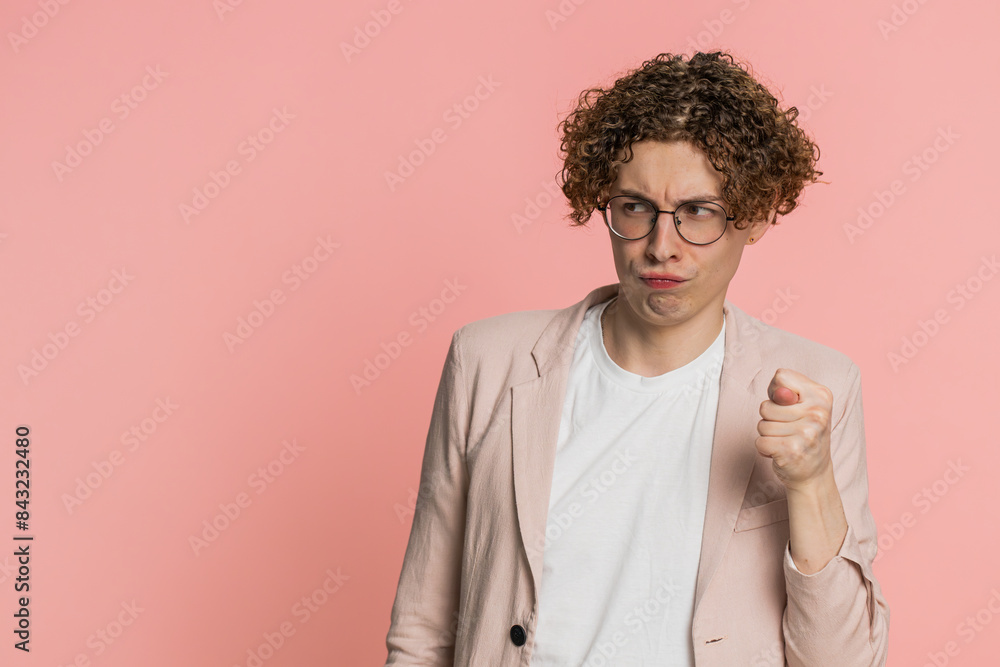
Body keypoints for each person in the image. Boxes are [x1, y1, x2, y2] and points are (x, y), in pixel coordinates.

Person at [384, 50, 889, 666]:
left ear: (754, 216)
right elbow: (423, 627)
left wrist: (810, 485)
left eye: (698, 212)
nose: (660, 246)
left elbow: (843, 660)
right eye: (635, 207)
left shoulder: (816, 387)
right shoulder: (489, 361)